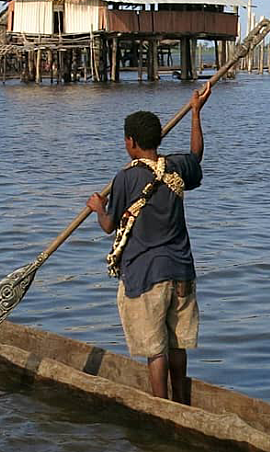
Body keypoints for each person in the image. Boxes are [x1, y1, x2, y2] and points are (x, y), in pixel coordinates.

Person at [86, 82, 212, 404]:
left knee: (156, 351)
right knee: (177, 345)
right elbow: (196, 156)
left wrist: (99, 208)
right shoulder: (175, 167)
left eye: (125, 140)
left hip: (147, 276)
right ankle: (180, 403)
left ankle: (161, 409)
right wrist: (195, 113)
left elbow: (109, 226)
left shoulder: (125, 178)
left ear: (131, 142)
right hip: (181, 271)